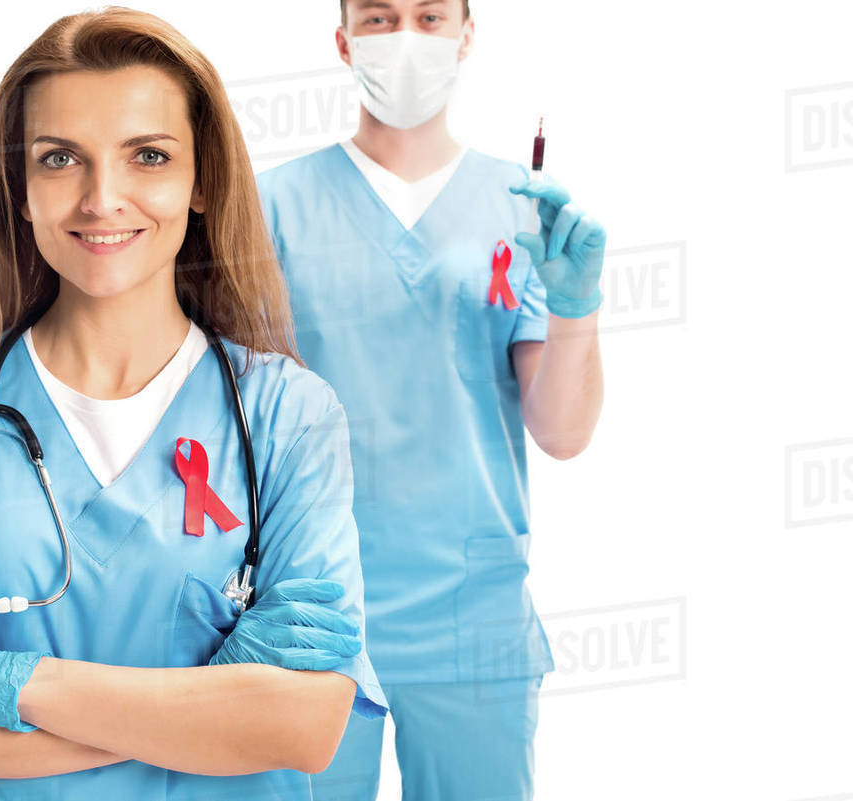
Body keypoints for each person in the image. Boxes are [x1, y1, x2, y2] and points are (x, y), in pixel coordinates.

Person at [0, 7, 388, 799]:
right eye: (61, 158)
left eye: (148, 156)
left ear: (201, 184)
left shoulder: (289, 414)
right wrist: (201, 716)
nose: (102, 197)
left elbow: (304, 726)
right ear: (19, 190)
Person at [255, 0, 607, 798]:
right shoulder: (270, 206)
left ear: (466, 35)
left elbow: (562, 430)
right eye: (379, 19)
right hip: (312, 615)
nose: (405, 38)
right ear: (344, 41)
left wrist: (576, 305)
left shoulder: (524, 208)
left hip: (471, 624)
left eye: (428, 16)